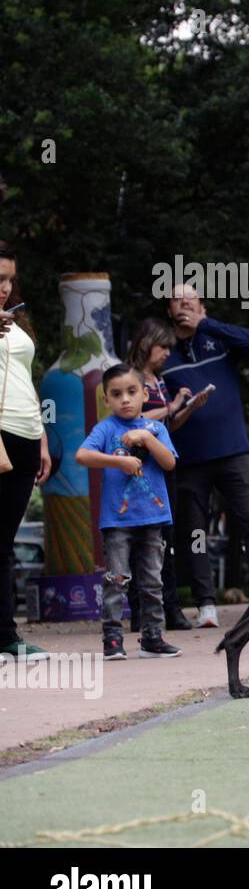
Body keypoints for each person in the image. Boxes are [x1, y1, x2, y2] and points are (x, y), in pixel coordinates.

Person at [161, 284, 249, 629]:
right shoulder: (165, 354)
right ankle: (205, 604)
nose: (183, 304)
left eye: (190, 300)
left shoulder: (219, 340)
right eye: (177, 300)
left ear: (202, 307)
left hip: (235, 451)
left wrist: (205, 325)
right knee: (194, 532)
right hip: (191, 459)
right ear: (168, 310)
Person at [75, 364, 181, 659]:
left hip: (153, 518)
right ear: (106, 400)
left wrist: (147, 440)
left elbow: (170, 463)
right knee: (117, 579)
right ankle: (112, 639)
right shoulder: (105, 428)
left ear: (145, 395)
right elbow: (82, 455)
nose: (125, 399)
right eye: (116, 394)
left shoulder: (155, 428)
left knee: (152, 580)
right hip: (117, 520)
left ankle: (152, 638)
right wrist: (118, 461)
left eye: (132, 392)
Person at [125, 317, 210, 632]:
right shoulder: (131, 377)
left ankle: (169, 608)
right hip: (139, 467)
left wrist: (188, 407)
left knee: (166, 538)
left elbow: (166, 425)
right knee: (142, 539)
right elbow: (133, 417)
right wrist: (174, 404)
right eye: (163, 347)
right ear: (148, 344)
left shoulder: (158, 380)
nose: (166, 355)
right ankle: (141, 610)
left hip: (164, 465)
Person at [0, 241, 52, 661]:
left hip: (25, 433)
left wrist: (43, 439)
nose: (4, 287)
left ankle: (6, 638)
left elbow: (26, 378)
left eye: (9, 279)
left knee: (5, 541)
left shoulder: (16, 321)